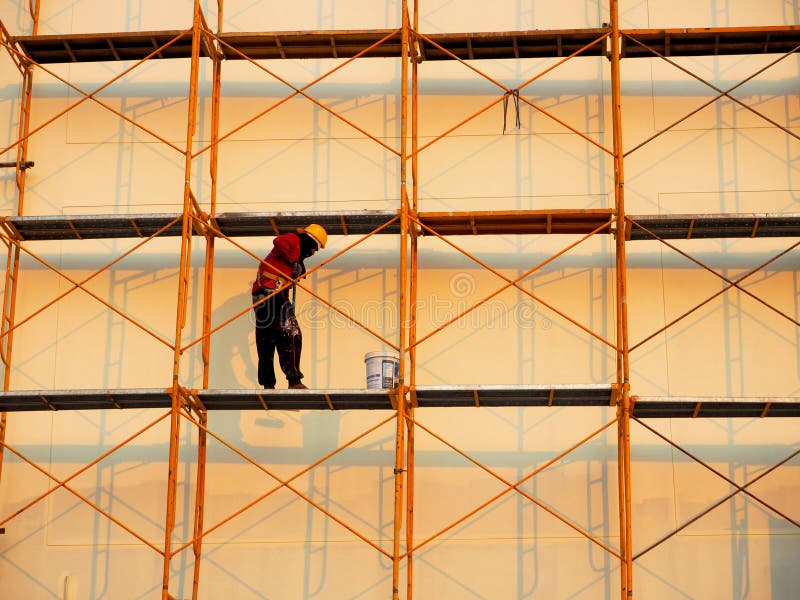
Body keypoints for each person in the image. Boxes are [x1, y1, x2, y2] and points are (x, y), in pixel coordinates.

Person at [251, 224, 327, 389]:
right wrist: (293, 262)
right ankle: (294, 380)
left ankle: (268, 384)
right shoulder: (294, 239)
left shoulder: (296, 254)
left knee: (267, 337)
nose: (314, 252)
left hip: (263, 293)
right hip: (272, 291)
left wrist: (297, 267)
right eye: (315, 248)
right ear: (310, 241)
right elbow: (279, 241)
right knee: (291, 332)